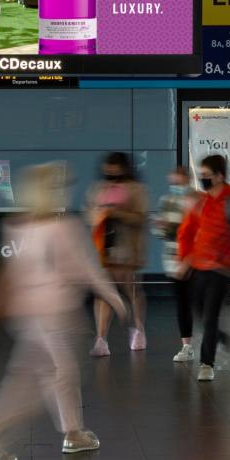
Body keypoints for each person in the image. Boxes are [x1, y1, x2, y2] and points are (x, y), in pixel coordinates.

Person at [0, 163, 124, 460]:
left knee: (34, 377)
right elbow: (86, 269)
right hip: (56, 315)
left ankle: (65, 432)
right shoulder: (62, 228)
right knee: (58, 376)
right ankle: (63, 433)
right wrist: (114, 297)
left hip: (26, 316)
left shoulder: (16, 226)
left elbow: (14, 274)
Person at [176, 154, 230, 382]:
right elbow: (188, 232)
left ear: (220, 176)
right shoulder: (201, 202)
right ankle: (220, 339)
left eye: (206, 176)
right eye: (201, 176)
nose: (202, 180)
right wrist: (184, 260)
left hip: (222, 269)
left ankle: (206, 363)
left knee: (210, 315)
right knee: (201, 313)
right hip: (200, 265)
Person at [84, 152, 147, 356]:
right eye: (108, 169)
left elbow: (140, 217)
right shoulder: (98, 189)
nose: (110, 173)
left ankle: (139, 329)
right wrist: (99, 214)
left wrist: (116, 213)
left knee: (131, 290)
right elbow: (90, 215)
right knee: (103, 292)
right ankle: (101, 338)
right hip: (103, 247)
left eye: (115, 169)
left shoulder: (136, 189)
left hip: (127, 246)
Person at [153, 165, 201, 364]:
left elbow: (198, 231)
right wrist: (162, 227)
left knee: (199, 303)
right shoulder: (166, 201)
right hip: (173, 258)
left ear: (187, 179)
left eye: (179, 180)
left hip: (194, 259)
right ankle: (186, 345)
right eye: (173, 181)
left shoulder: (196, 200)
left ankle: (210, 342)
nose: (175, 184)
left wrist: (174, 227)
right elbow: (161, 232)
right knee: (182, 303)